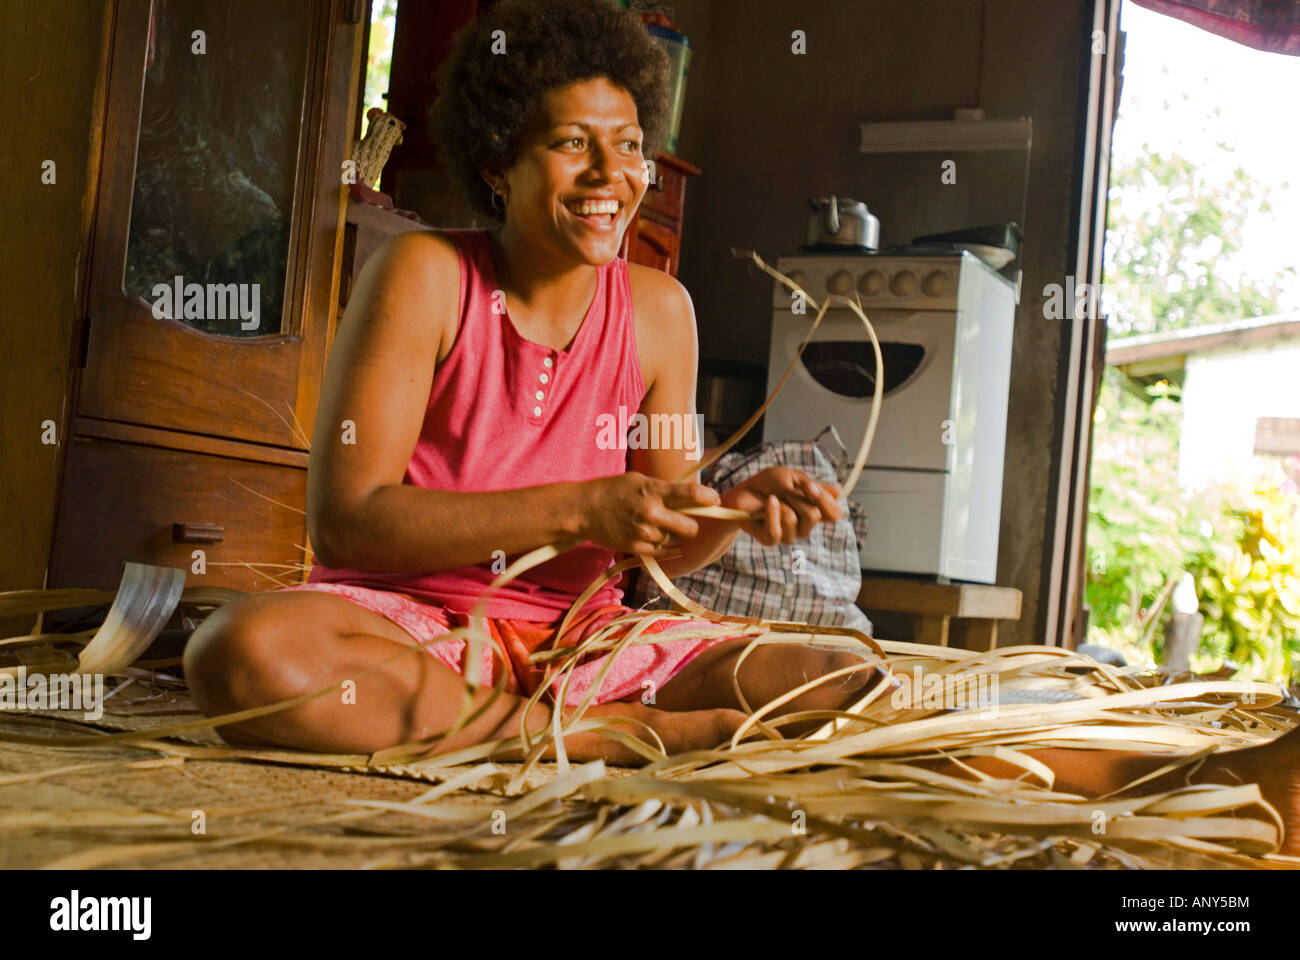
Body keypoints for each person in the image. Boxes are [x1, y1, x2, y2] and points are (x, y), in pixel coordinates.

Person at [184, 0, 1298, 854]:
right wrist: (581, 503)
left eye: (626, 146)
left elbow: (661, 547)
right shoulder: (427, 276)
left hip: (585, 645)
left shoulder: (657, 309)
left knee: (830, 677)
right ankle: (607, 745)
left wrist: (732, 514)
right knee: (246, 653)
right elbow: (349, 521)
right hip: (410, 632)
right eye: (572, 145)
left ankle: (1172, 786)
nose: (611, 176)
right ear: (496, 161)